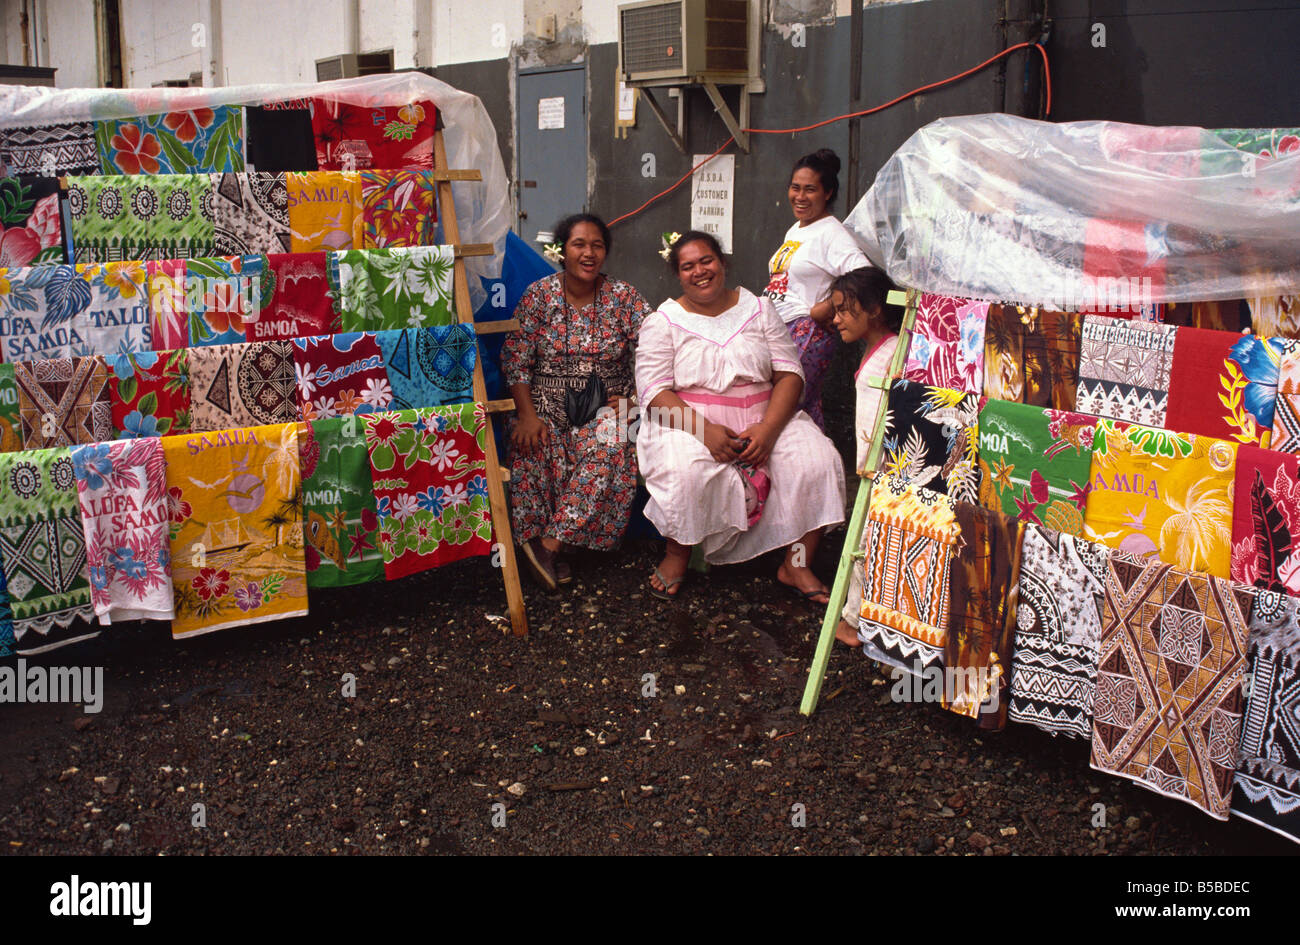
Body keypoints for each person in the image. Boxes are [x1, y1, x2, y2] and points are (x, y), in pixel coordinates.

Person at [636, 231, 846, 602]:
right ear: (678, 274)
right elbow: (653, 392)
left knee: (817, 461)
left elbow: (788, 374)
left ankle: (796, 563)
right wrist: (704, 432)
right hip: (691, 423)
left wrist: (768, 429)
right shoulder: (663, 321)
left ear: (723, 262)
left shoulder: (759, 309)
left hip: (764, 418)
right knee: (686, 472)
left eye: (707, 261)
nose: (700, 271)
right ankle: (677, 554)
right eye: (688, 266)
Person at [502, 213, 651, 590]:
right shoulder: (539, 296)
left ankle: (549, 546)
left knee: (613, 443)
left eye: (597, 245)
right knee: (532, 439)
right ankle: (550, 546)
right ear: (562, 251)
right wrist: (526, 414)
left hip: (608, 402)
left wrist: (633, 400)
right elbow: (516, 358)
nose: (589, 253)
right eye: (579, 244)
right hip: (544, 401)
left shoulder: (625, 297)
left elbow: (655, 352)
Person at [762, 148, 872, 430]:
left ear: (828, 193)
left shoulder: (832, 233)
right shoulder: (796, 229)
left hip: (806, 332)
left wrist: (826, 307)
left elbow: (864, 274)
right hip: (781, 327)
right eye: (795, 188)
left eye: (810, 189)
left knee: (784, 407)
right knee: (804, 409)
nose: (800, 197)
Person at [825, 268, 905, 647]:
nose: (836, 318)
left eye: (844, 310)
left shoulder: (886, 358)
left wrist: (873, 467)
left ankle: (854, 621)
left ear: (873, 309)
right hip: (877, 468)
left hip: (880, 471)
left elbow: (880, 426)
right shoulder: (884, 351)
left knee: (867, 542)